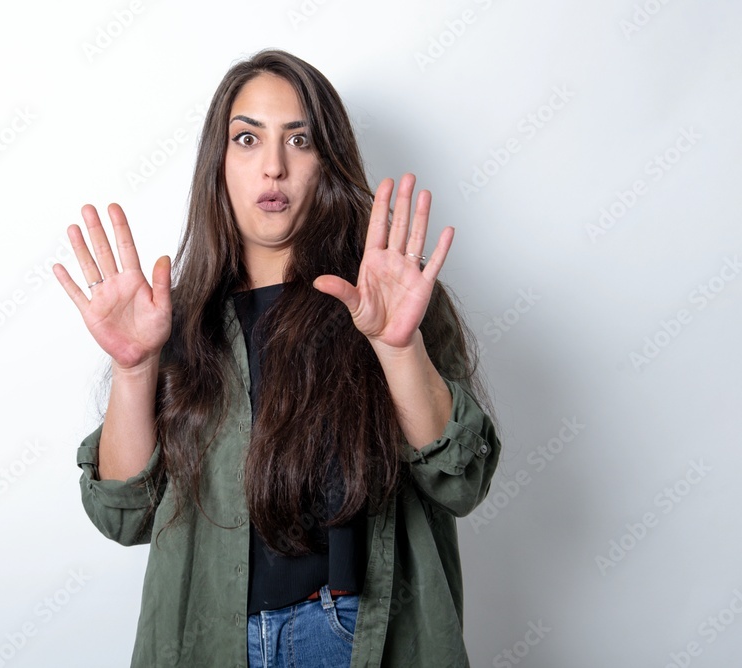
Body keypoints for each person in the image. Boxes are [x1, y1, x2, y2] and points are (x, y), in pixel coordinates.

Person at [53, 49, 501, 668]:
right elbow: (122, 515)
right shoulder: (175, 321)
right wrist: (134, 369)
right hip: (210, 641)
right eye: (247, 139)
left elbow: (461, 480)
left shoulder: (390, 295)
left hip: (349, 636)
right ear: (219, 164)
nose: (274, 167)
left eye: (300, 140)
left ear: (329, 161)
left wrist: (398, 347)